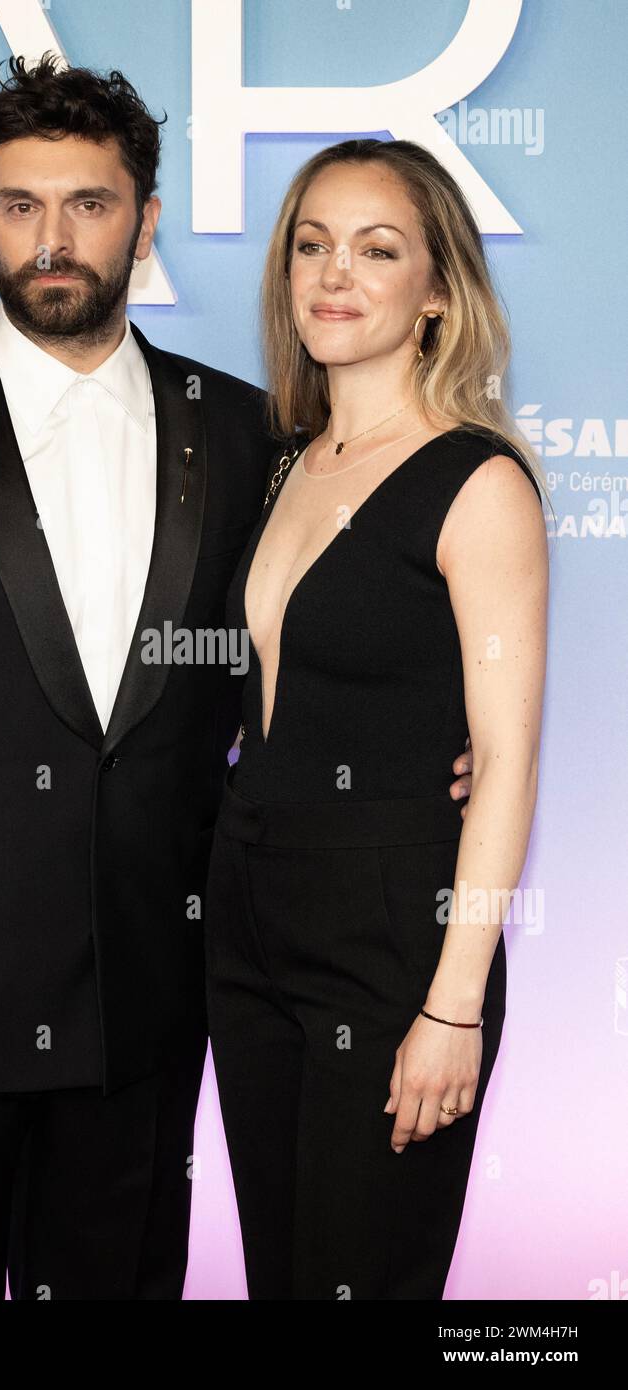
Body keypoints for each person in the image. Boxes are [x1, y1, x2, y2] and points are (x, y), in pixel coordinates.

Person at [0, 55, 476, 1299]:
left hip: (155, 1004)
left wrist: (431, 755)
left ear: (143, 223)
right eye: (18, 204)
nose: (52, 238)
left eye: (88, 204)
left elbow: (315, 651)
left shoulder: (258, 432)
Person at [203, 138, 549, 1300]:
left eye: (375, 248)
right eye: (310, 244)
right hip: (247, 913)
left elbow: (500, 758)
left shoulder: (475, 480)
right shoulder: (282, 463)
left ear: (437, 292)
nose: (331, 273)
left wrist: (451, 1002)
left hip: (392, 933)